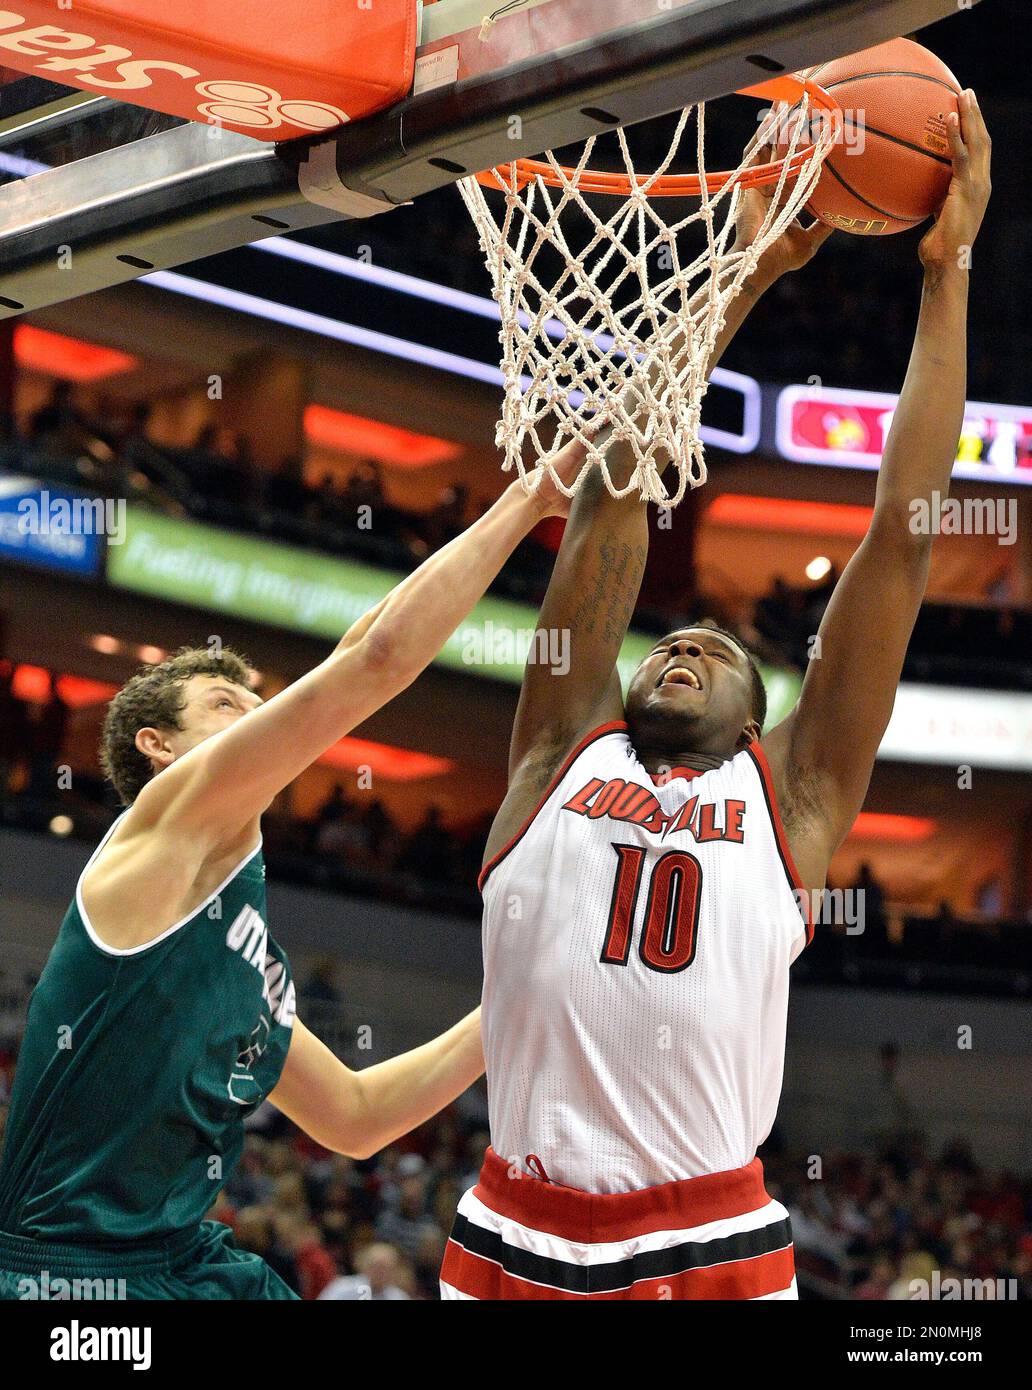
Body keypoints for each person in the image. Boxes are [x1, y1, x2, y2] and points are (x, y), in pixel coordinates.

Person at [441, 93, 991, 1300]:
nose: (681, 644)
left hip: (712, 1244)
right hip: (509, 1228)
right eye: (668, 641)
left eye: (714, 648)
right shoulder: (554, 754)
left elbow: (900, 539)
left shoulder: (792, 793)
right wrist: (738, 266)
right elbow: (611, 497)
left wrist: (946, 276)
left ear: (757, 719)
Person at [0, 451, 581, 1300]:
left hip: (185, 1261)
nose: (257, 718)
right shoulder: (163, 827)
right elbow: (373, 657)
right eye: (225, 706)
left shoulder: (247, 955)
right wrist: (530, 499)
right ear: (157, 746)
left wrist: (516, 1002)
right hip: (68, 1275)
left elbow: (356, 1117)